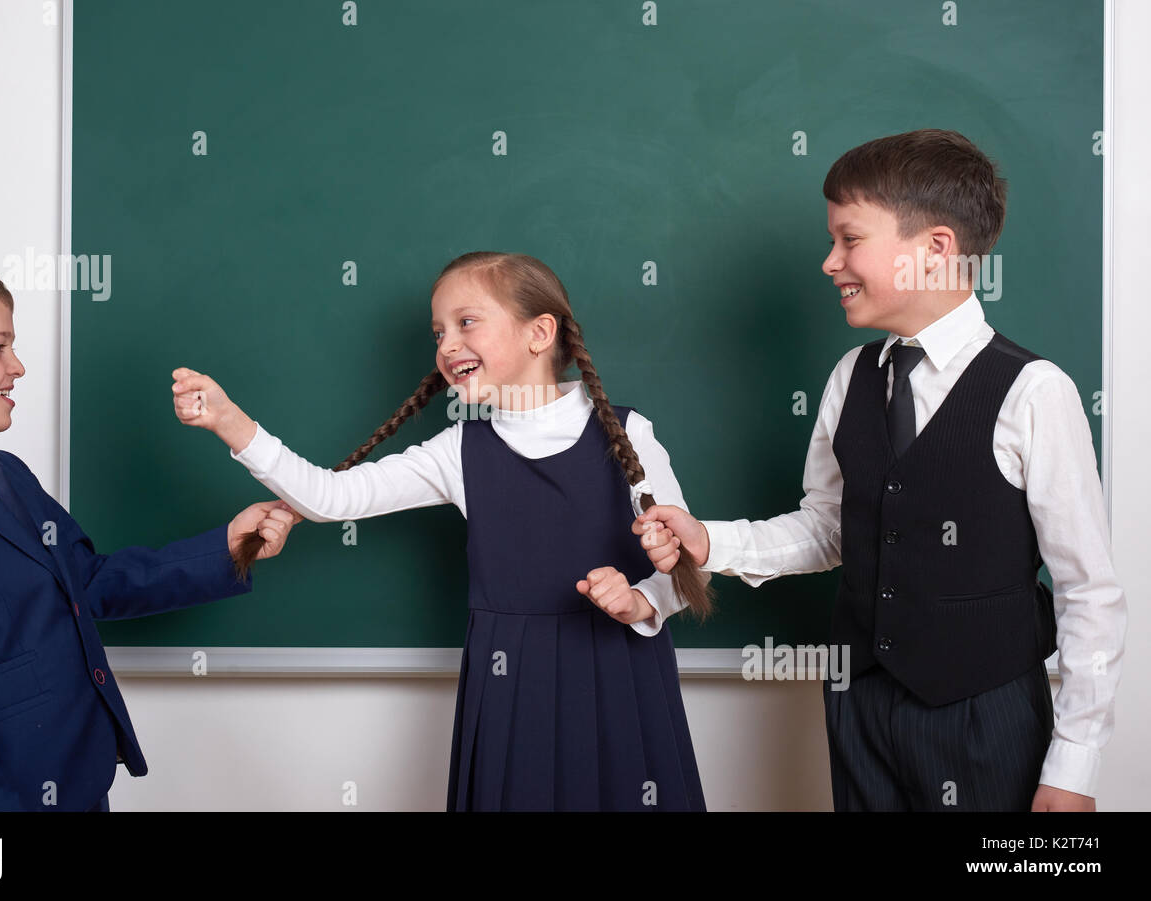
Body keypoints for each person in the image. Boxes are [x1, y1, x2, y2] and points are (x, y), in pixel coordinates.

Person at [636, 130, 1126, 812]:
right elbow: (830, 528)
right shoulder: (851, 376)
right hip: (860, 705)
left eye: (849, 239)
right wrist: (709, 541)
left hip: (985, 716)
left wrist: (1073, 765)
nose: (829, 261)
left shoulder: (1034, 391)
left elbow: (1088, 592)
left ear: (935, 249)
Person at [171, 251, 710, 810]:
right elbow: (332, 498)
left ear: (540, 332)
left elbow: (688, 560)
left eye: (466, 322)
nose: (447, 345)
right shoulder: (459, 449)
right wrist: (229, 421)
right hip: (509, 683)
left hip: (618, 675)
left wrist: (639, 601)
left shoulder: (629, 432)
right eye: (438, 332)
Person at [0, 250, 298, 811]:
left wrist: (226, 545)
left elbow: (86, 583)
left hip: (81, 787)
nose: (17, 366)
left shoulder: (5, 472)